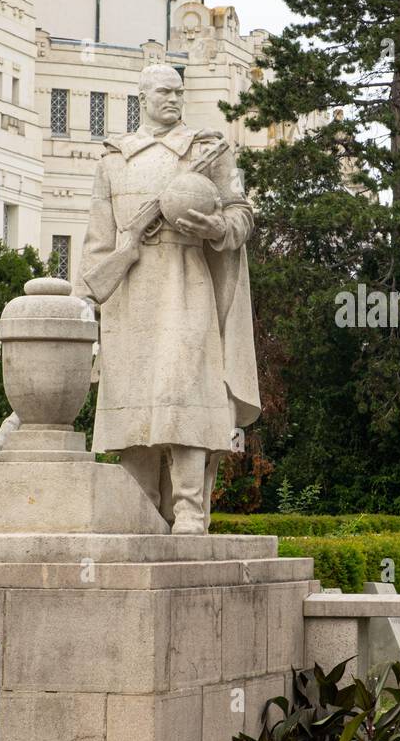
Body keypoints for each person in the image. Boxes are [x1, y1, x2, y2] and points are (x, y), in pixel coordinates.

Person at [73, 63, 260, 533]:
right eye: (163, 92)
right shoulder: (113, 158)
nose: (173, 99)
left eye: (179, 91)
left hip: (187, 281)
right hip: (130, 291)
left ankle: (190, 512)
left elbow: (242, 214)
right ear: (142, 97)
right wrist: (83, 309)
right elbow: (98, 243)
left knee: (185, 393)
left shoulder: (207, 149)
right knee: (133, 404)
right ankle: (141, 514)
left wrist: (217, 227)